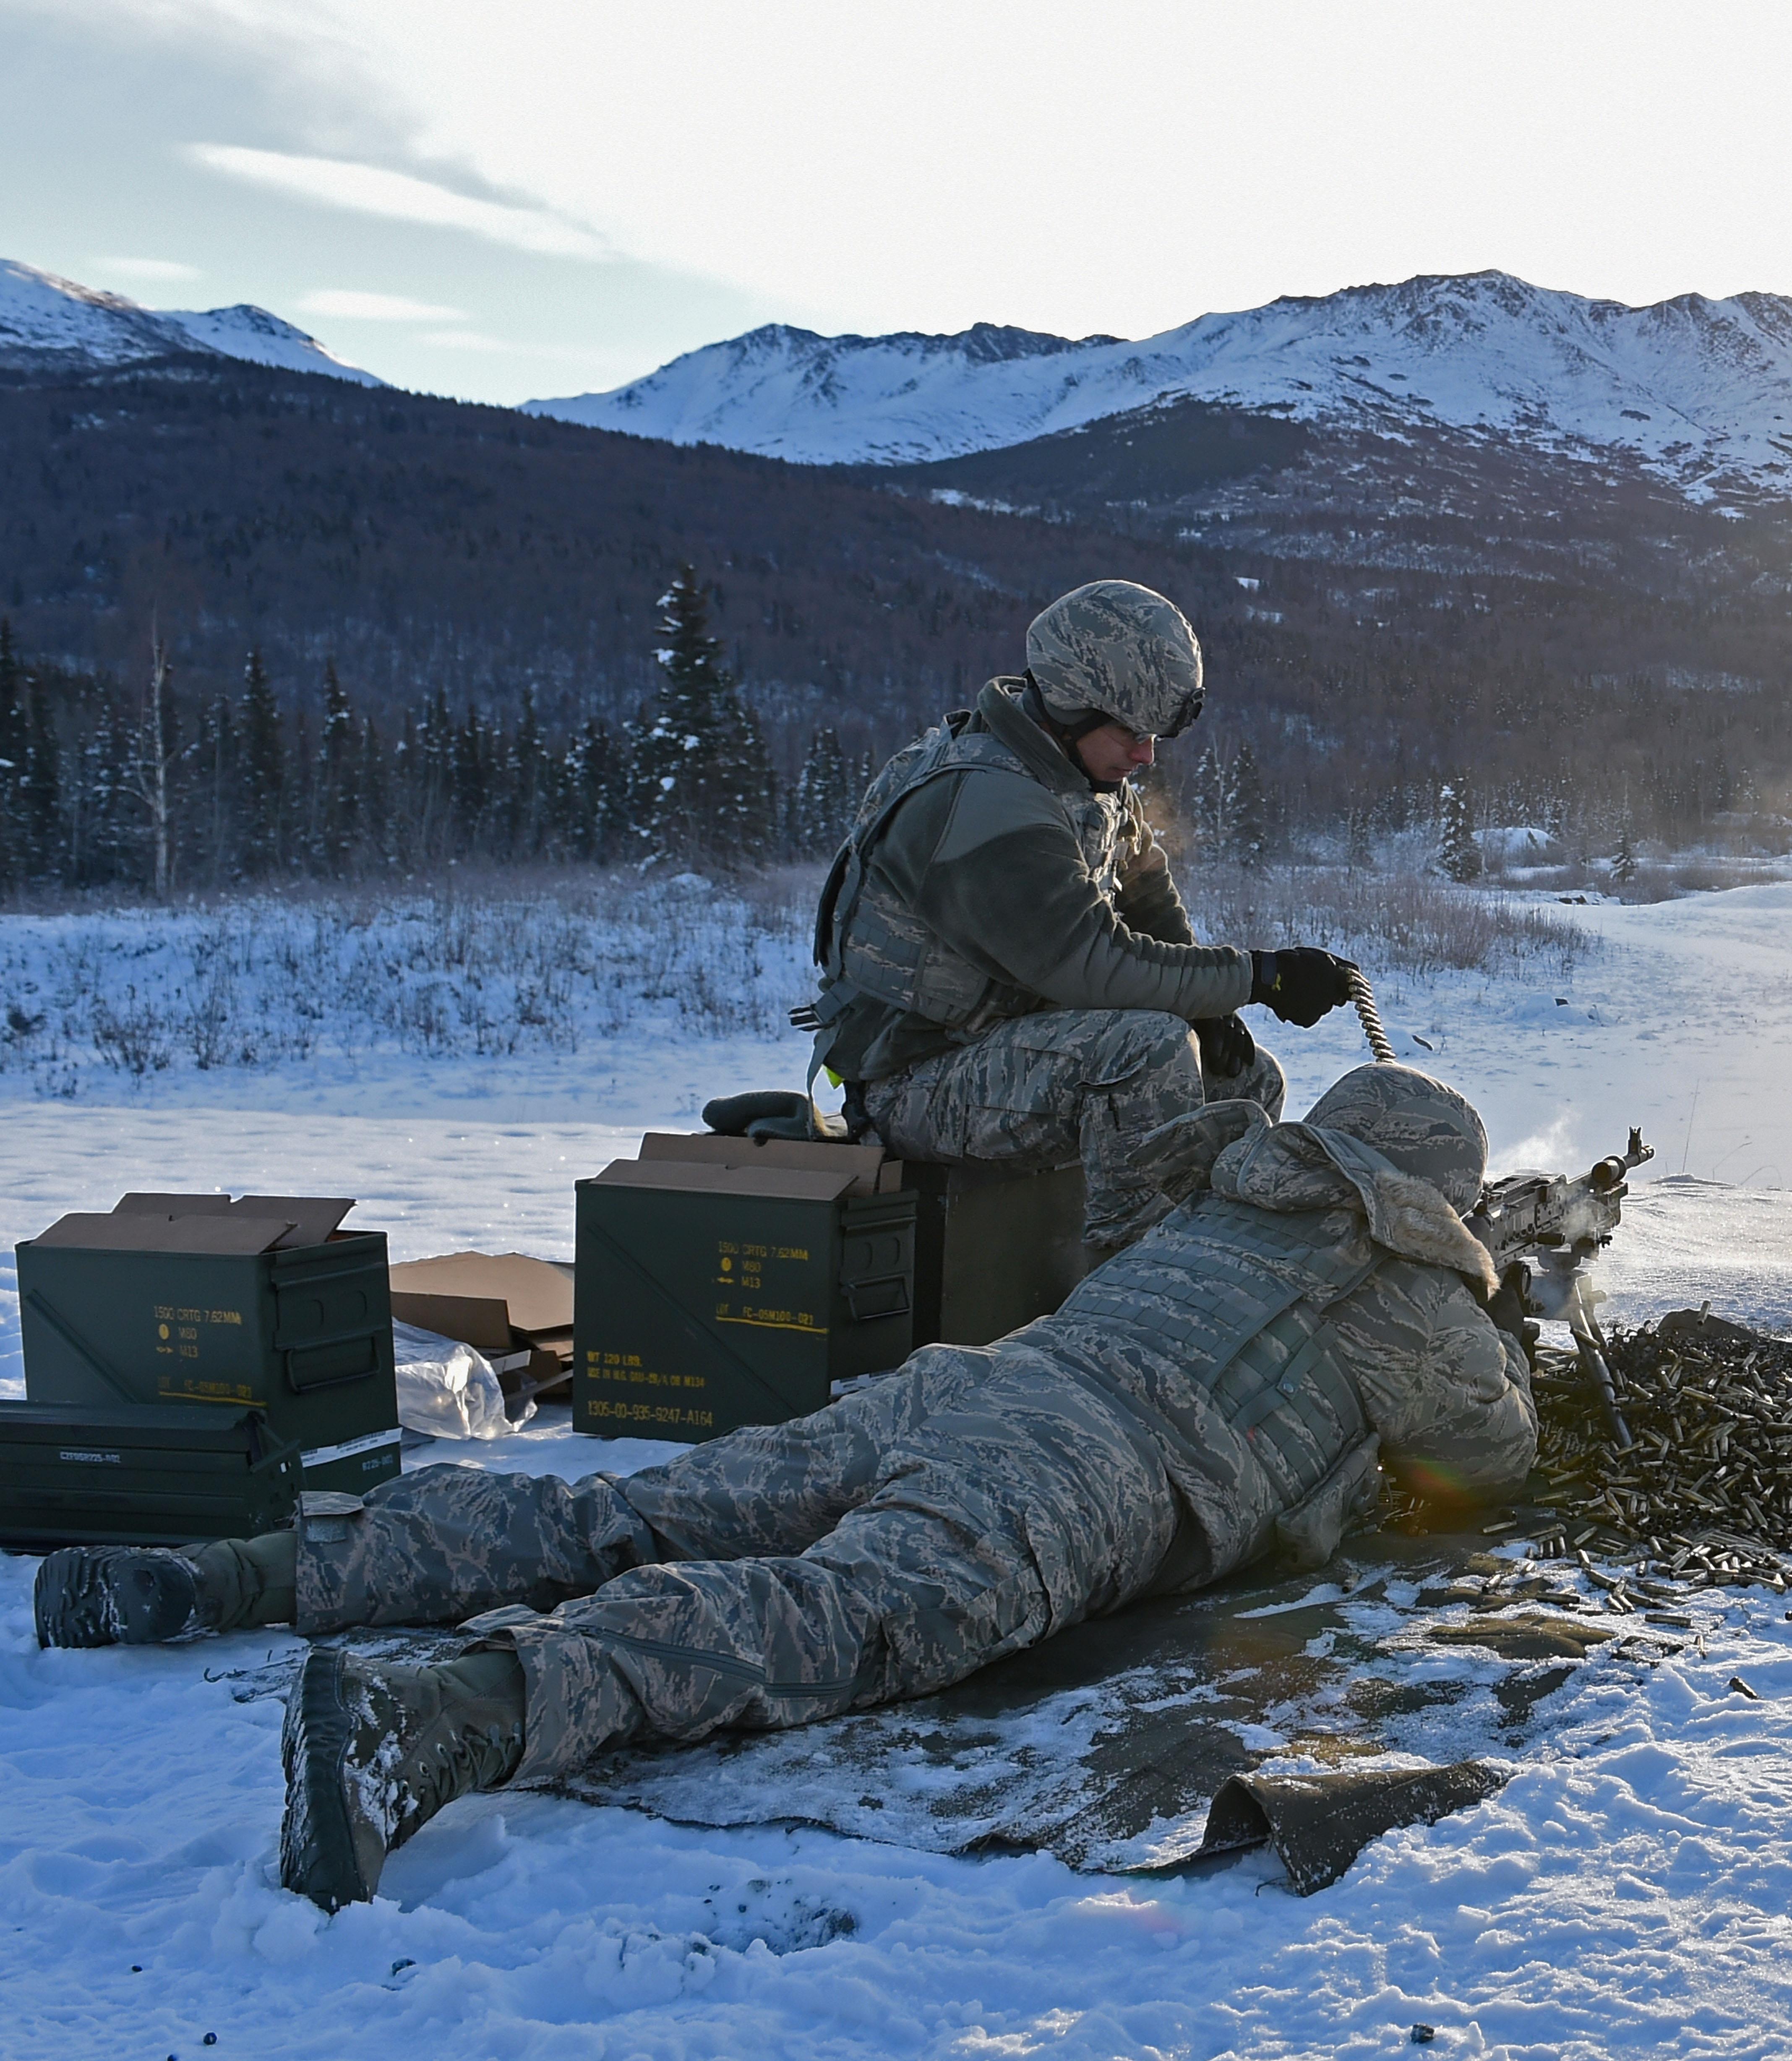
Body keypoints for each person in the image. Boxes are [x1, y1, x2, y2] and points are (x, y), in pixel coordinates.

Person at [33, 1064, 1536, 1911]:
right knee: (831, 1617)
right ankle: (443, 1717)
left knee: (630, 1508)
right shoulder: (1407, 1295)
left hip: (969, 1382)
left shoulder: (1222, 1197)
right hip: (1094, 1462)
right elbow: (1490, 1459)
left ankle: (224, 1576)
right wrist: (1501, 1311)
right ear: (1433, 1196)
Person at [809, 577, 1363, 1260]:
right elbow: (1091, 964)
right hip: (911, 1079)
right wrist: (1260, 977)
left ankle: (1218, 1266)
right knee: (1144, 1054)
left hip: (1003, 1048)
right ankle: (1133, 1284)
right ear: (1070, 708)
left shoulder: (1075, 775)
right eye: (1132, 733)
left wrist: (1210, 1009)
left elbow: (1146, 891)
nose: (1146, 755)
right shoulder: (986, 802)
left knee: (1247, 1080)